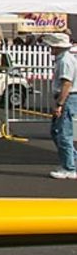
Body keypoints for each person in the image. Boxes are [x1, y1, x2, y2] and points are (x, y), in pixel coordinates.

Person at [44, 32, 77, 179]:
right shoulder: (65, 59)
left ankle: (69, 167)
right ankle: (71, 162)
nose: (50, 48)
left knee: (63, 133)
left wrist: (60, 104)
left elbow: (67, 84)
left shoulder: (65, 61)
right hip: (67, 98)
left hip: (67, 98)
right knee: (58, 131)